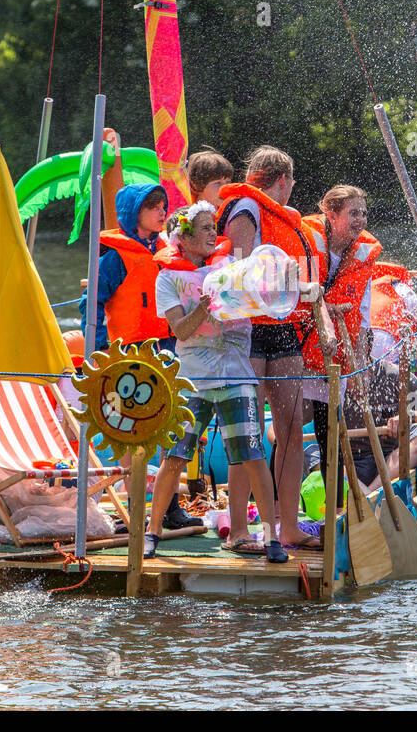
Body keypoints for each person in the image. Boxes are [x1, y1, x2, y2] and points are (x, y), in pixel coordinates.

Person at [148, 202, 286, 562]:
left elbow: (266, 295)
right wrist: (205, 306)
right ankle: (153, 532)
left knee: (254, 456)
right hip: (192, 381)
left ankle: (272, 539)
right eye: (206, 228)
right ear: (185, 236)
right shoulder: (167, 279)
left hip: (237, 376)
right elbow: (180, 329)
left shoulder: (231, 268)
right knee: (175, 457)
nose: (214, 233)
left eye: (214, 227)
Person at [216, 146, 323, 551]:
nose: (292, 189)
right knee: (249, 432)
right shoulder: (246, 208)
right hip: (248, 332)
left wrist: (298, 290)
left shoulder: (284, 219)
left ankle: (289, 527)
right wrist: (292, 287)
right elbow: (239, 270)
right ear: (282, 180)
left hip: (283, 329)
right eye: (291, 182)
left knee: (292, 427)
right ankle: (241, 530)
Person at [298, 185, 382, 489]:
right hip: (301, 345)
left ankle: (334, 512)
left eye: (364, 213)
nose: (361, 219)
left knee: (331, 431)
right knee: (291, 429)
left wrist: (362, 360)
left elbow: (364, 312)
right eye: (353, 213)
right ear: (331, 215)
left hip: (335, 351)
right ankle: (281, 510)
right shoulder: (307, 241)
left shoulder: (363, 254)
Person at [78, 183, 173, 354]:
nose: (162, 212)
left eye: (162, 207)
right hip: (132, 349)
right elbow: (91, 302)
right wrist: (100, 347)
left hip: (169, 344)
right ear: (134, 213)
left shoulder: (166, 249)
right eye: (154, 207)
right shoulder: (115, 258)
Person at [343, 355, 417, 491]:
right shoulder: (330, 380)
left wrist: (408, 416)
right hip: (346, 465)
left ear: (367, 350)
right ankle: (369, 496)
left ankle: (373, 493)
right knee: (317, 451)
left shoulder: (393, 374)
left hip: (389, 461)